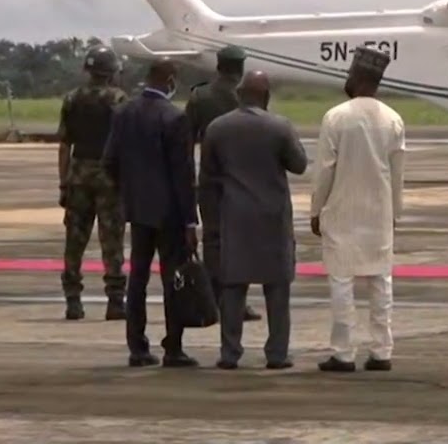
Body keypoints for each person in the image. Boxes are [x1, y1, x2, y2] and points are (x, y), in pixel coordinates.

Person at [199, 70, 308, 370]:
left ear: (239, 94)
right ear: (266, 96)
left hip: (234, 216)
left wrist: (209, 223)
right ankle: (277, 353)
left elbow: (206, 180)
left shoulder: (218, 128)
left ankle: (230, 352)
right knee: (277, 288)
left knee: (233, 288)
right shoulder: (280, 126)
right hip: (273, 218)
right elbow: (299, 164)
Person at [310, 46, 406, 373]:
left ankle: (343, 353)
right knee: (381, 282)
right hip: (379, 213)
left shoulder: (336, 117)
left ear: (359, 77)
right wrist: (395, 214)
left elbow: (325, 170)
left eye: (351, 73)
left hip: (342, 211)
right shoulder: (393, 119)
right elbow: (397, 175)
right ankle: (381, 351)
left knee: (341, 283)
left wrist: (316, 210)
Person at [102, 57, 201, 368]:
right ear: (170, 81)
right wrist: (190, 220)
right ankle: (173, 347)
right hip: (170, 213)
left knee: (138, 279)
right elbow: (183, 174)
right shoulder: (175, 117)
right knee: (173, 280)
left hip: (137, 210)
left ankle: (137, 346)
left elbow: (109, 161)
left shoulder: (123, 113)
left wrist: (128, 192)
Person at [185, 45, 262, 323]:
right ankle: (237, 302)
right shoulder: (246, 97)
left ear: (218, 65)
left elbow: (186, 142)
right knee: (241, 243)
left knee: (213, 242)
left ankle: (215, 299)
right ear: (240, 68)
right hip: (243, 182)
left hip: (210, 181)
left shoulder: (199, 96)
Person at [57, 45, 128, 322]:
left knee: (75, 241)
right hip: (109, 178)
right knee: (112, 241)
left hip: (78, 176)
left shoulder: (72, 99)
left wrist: (63, 183)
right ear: (111, 71)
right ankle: (115, 301)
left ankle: (73, 300)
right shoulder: (119, 99)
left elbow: (65, 145)